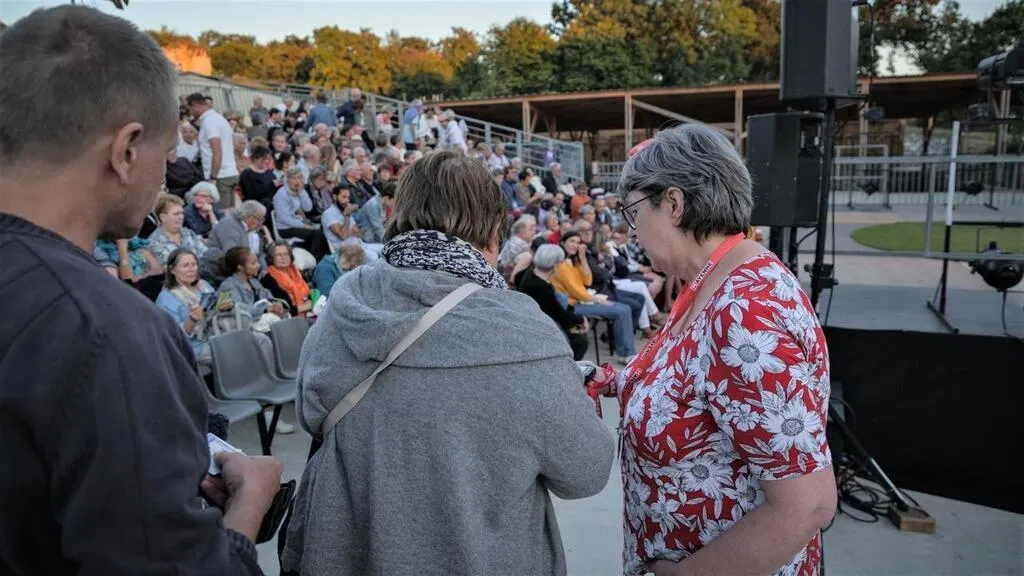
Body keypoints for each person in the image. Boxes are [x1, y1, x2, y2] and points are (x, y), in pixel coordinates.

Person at [0, 7, 282, 574]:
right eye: (168, 150)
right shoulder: (107, 328)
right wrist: (249, 507)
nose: (168, 168)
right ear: (127, 149)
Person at [281, 150, 614, 575]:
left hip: (346, 553)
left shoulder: (344, 303)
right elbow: (585, 470)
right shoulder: (519, 327)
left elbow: (312, 412)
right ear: (494, 228)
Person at [609, 125, 836, 576]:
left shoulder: (744, 311)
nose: (632, 231)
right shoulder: (714, 281)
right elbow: (690, 386)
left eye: (633, 212)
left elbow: (807, 505)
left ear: (673, 204)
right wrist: (607, 379)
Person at [552, 230, 637, 363]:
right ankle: (626, 353)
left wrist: (583, 258)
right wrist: (596, 299)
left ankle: (627, 352)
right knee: (620, 311)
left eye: (578, 242)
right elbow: (575, 291)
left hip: (583, 300)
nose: (575, 245)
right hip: (571, 305)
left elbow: (588, 281)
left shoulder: (573, 262)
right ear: (562, 243)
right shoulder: (560, 264)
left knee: (626, 308)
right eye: (571, 241)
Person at [519, 244, 589, 361]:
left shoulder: (530, 273)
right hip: (539, 327)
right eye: (561, 262)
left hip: (541, 320)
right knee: (580, 342)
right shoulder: (540, 286)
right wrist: (581, 319)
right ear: (555, 264)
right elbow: (559, 314)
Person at [187, 92, 239, 210]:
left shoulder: (210, 121)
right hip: (229, 172)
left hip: (221, 176)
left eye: (189, 108)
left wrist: (213, 177)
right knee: (230, 211)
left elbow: (217, 151)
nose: (189, 112)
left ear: (195, 105)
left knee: (223, 214)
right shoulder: (219, 118)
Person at [217, 246, 288, 320]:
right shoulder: (227, 286)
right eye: (253, 263)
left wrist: (277, 304)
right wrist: (266, 309)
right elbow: (237, 308)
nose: (258, 265)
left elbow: (268, 297)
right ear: (240, 267)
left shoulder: (254, 282)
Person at [148, 193, 209, 266]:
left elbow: (206, 254)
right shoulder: (154, 241)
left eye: (182, 213)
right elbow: (171, 266)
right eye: (176, 214)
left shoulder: (188, 233)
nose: (181, 217)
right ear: (163, 217)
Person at [262, 241, 313, 317]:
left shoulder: (295, 271)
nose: (283, 258)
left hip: (308, 312)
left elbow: (309, 295)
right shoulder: (268, 279)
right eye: (278, 255)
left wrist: (310, 303)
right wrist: (305, 307)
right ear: (271, 258)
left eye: (286, 254)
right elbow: (285, 308)